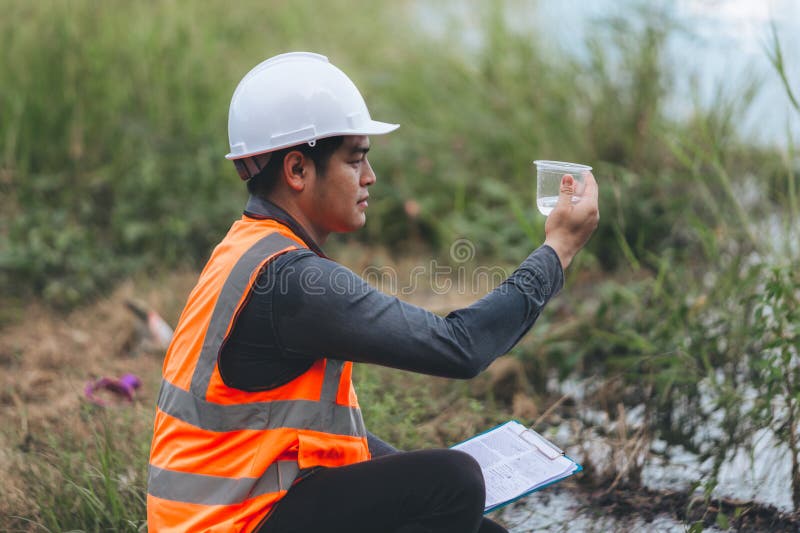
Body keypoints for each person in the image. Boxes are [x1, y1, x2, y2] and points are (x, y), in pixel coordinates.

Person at [146, 52, 599, 533]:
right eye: (355, 159)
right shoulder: (294, 281)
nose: (369, 177)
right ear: (297, 169)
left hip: (237, 506)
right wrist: (558, 250)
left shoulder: (248, 246)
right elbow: (459, 347)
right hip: (232, 522)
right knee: (454, 482)